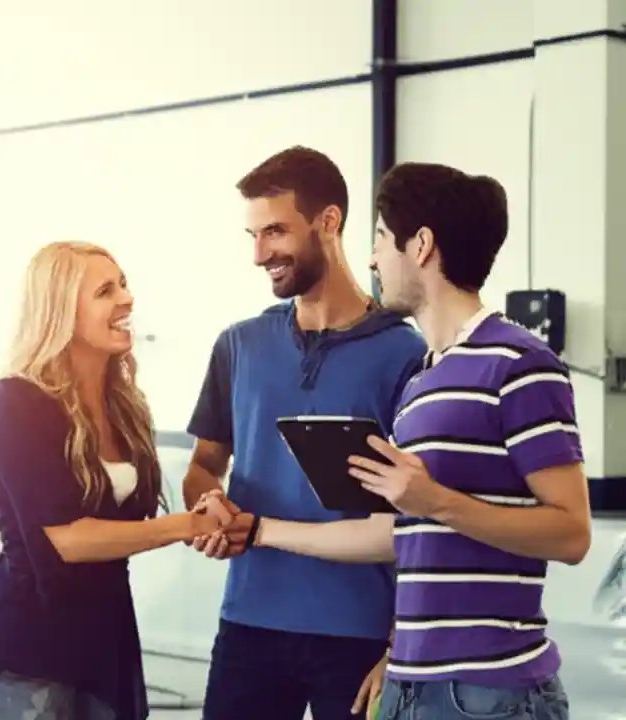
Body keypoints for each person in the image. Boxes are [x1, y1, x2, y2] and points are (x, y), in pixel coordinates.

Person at [234, 162, 591, 719]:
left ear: (421, 245)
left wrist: (437, 501)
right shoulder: (425, 378)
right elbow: (399, 535)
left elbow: (571, 534)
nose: (373, 258)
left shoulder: (520, 364)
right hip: (410, 687)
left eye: (379, 238)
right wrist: (260, 530)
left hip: (490, 690)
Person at [182, 146, 429, 720]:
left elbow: (423, 524)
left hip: (359, 634)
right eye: (252, 235)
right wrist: (209, 504)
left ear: (329, 221)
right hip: (248, 625)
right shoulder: (238, 345)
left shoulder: (406, 354)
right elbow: (202, 467)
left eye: (274, 231)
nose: (259, 253)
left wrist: (400, 644)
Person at [0, 240, 232, 720]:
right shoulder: (20, 403)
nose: (126, 299)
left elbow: (128, 524)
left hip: (105, 640)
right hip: (32, 649)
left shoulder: (124, 406)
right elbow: (67, 539)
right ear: (61, 310)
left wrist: (211, 507)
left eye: (124, 284)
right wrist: (187, 526)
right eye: (106, 291)